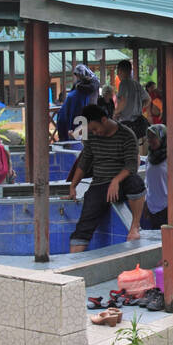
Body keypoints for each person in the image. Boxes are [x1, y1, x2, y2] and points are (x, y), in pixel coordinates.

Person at [65, 104, 145, 252]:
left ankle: (135, 227)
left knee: (136, 183)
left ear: (103, 120)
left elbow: (132, 166)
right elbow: (84, 161)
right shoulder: (91, 136)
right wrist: (73, 186)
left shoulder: (126, 135)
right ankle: (74, 262)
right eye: (91, 130)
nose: (95, 133)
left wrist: (116, 180)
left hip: (122, 183)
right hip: (99, 184)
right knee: (83, 228)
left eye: (95, 128)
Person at [141, 123, 173, 230]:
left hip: (170, 208)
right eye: (149, 137)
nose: (150, 140)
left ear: (163, 137)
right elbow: (148, 182)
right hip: (153, 208)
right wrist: (146, 203)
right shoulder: (150, 157)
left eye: (153, 137)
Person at [55, 64, 100, 141]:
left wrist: (79, 87)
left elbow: (91, 88)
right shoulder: (80, 82)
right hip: (81, 109)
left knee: (86, 131)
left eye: (78, 75)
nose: (78, 77)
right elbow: (73, 92)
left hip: (90, 109)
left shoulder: (94, 81)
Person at [113, 59, 150, 139]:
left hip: (126, 123)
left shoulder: (123, 83)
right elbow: (148, 100)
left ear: (120, 71)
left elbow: (123, 101)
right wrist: (138, 107)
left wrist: (114, 113)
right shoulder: (136, 84)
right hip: (137, 123)